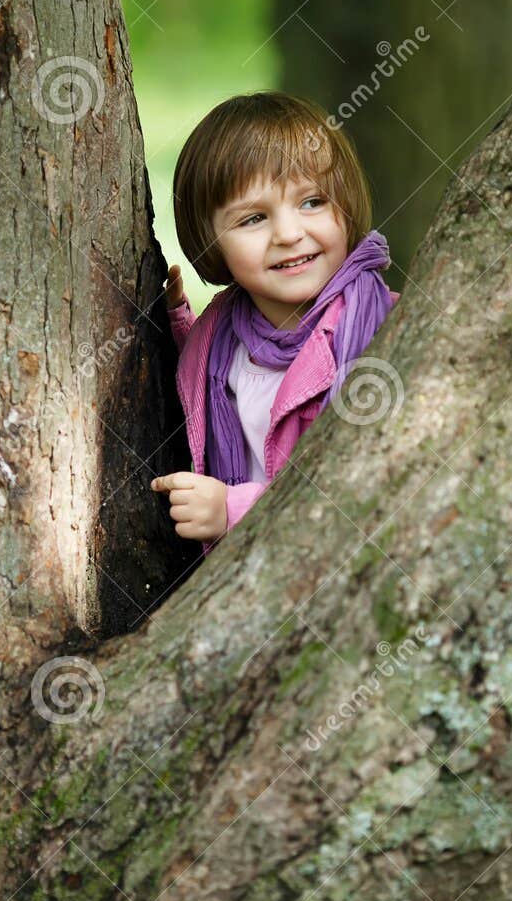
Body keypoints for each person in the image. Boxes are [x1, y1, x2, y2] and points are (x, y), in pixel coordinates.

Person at [151, 90, 400, 554]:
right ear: (211, 242)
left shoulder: (379, 334)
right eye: (253, 219)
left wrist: (232, 510)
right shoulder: (222, 332)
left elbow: (356, 491)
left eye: (312, 202)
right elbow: (225, 380)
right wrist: (173, 325)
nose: (289, 234)